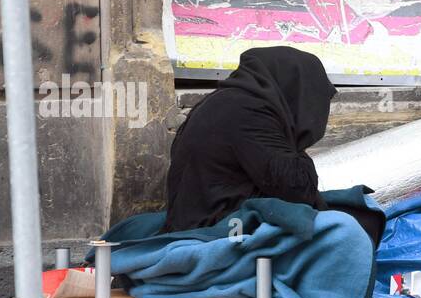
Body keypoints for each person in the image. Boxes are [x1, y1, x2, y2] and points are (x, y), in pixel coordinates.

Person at [162, 47, 379, 243]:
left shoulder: (228, 101)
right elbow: (297, 188)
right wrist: (298, 144)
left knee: (361, 210)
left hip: (203, 216)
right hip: (217, 228)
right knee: (354, 227)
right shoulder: (247, 110)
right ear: (298, 89)